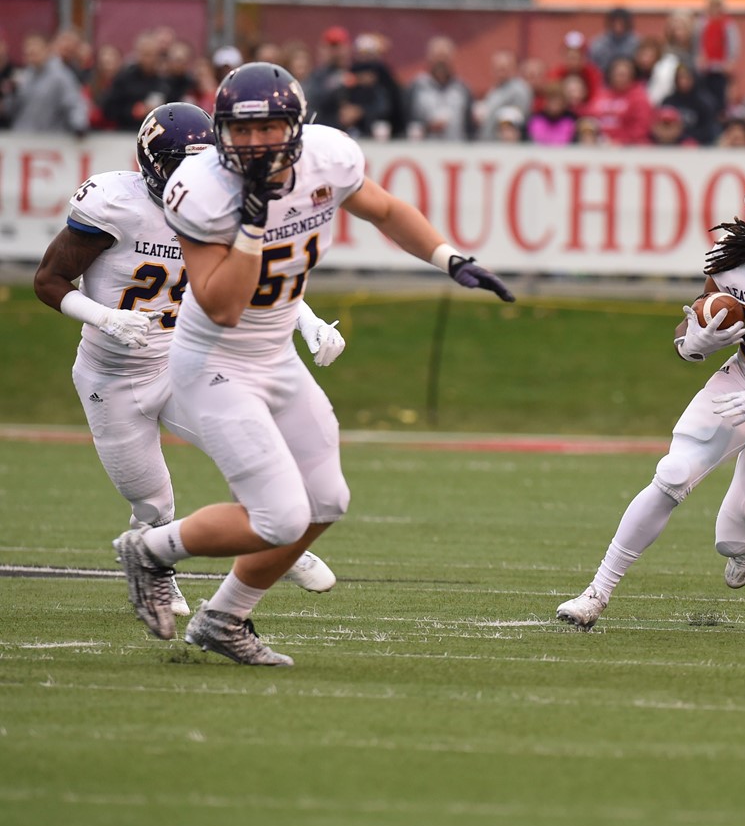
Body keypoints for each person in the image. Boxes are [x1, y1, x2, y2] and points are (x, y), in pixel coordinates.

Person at [112, 64, 514, 666]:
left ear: (297, 128)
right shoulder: (201, 188)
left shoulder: (329, 157)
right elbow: (221, 306)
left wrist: (450, 259)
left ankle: (224, 618)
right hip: (215, 360)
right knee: (280, 516)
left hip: (274, 354)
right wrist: (253, 225)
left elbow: (382, 209)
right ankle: (150, 549)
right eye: (239, 132)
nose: (251, 144)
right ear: (220, 132)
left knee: (326, 500)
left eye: (267, 128)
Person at [34, 102, 341, 618]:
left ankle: (275, 537)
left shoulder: (216, 204)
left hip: (181, 364)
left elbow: (257, 276)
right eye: (180, 164)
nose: (191, 176)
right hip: (110, 378)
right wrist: (104, 317)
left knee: (255, 449)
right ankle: (155, 568)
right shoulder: (114, 204)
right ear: (152, 165)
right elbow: (47, 281)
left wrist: (308, 321)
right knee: (152, 505)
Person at [556, 155, 745, 630]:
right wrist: (691, 342)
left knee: (732, 539)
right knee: (673, 473)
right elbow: (694, 321)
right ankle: (596, 592)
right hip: (739, 382)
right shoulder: (734, 255)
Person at [5, 32, 89, 133]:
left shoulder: (61, 76)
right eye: (28, 51)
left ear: (47, 49)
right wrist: (12, 94)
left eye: (35, 50)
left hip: (49, 139)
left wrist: (79, 125)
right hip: (22, 138)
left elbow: (74, 103)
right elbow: (9, 111)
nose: (31, 53)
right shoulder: (23, 77)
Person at [407, 37, 474, 140]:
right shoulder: (416, 87)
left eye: (444, 57)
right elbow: (407, 122)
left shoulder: (462, 89)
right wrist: (427, 127)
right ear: (429, 58)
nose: (441, 61)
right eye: (437, 56)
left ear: (451, 58)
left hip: (456, 150)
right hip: (424, 151)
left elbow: (470, 126)